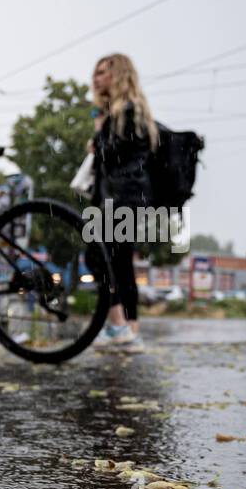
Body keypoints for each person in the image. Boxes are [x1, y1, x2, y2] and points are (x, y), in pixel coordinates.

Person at [90, 53, 159, 353]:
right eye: (96, 72)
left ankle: (118, 326)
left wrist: (97, 139)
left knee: (95, 257)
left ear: (118, 75)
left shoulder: (124, 112)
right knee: (121, 264)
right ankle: (131, 332)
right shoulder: (135, 110)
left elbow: (112, 156)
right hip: (132, 197)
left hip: (120, 198)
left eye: (103, 72)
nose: (97, 78)